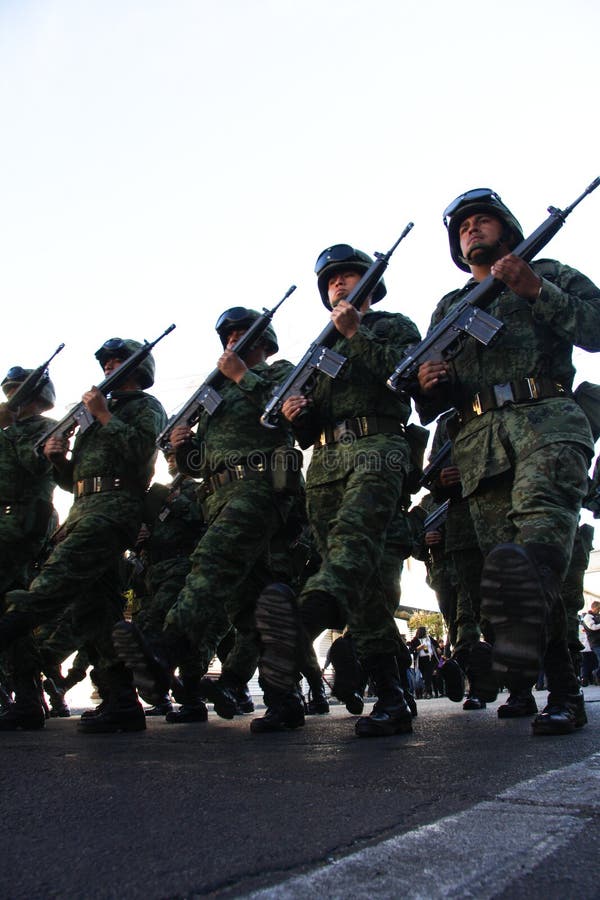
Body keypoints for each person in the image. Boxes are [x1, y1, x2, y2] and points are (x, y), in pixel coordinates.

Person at [416, 187, 600, 735]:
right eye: (463, 225)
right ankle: (527, 688)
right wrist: (430, 382)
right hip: (481, 448)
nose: (472, 229)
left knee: (536, 554)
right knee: (504, 573)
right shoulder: (450, 308)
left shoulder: (549, 272)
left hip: (548, 421)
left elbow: (596, 327)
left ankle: (564, 693)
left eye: (482, 220)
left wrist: (536, 290)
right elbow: (427, 399)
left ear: (507, 227)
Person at [113, 308, 306, 733]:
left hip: (260, 488)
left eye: (243, 334)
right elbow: (202, 463)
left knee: (210, 564)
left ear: (263, 341)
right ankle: (284, 698)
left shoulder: (279, 373)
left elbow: (288, 414)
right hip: (217, 497)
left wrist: (241, 376)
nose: (234, 340)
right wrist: (183, 448)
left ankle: (164, 650)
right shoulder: (215, 396)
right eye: (229, 335)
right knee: (255, 605)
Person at [281, 243, 422, 737]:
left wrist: (356, 334)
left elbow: (408, 372)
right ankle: (392, 693)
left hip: (378, 444)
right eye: (331, 280)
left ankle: (306, 615)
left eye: (348, 275)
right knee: (360, 584)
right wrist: (300, 416)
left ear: (370, 281)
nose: (338, 283)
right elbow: (311, 421)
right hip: (324, 465)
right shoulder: (319, 352)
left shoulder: (390, 325)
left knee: (352, 547)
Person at [0, 338, 167, 732]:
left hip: (112, 512)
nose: (110, 367)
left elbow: (141, 450)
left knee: (48, 589)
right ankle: (122, 701)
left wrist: (104, 415)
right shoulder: (95, 415)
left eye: (118, 361)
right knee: (98, 611)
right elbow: (73, 480)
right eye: (106, 362)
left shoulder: (145, 407)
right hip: (84, 510)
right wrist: (59, 460)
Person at [0, 365, 58, 725]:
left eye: (17, 393)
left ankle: (28, 697)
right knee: (11, 607)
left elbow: (35, 466)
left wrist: (13, 425)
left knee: (12, 603)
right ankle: (28, 697)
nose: (10, 400)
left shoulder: (44, 429)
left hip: (20, 522)